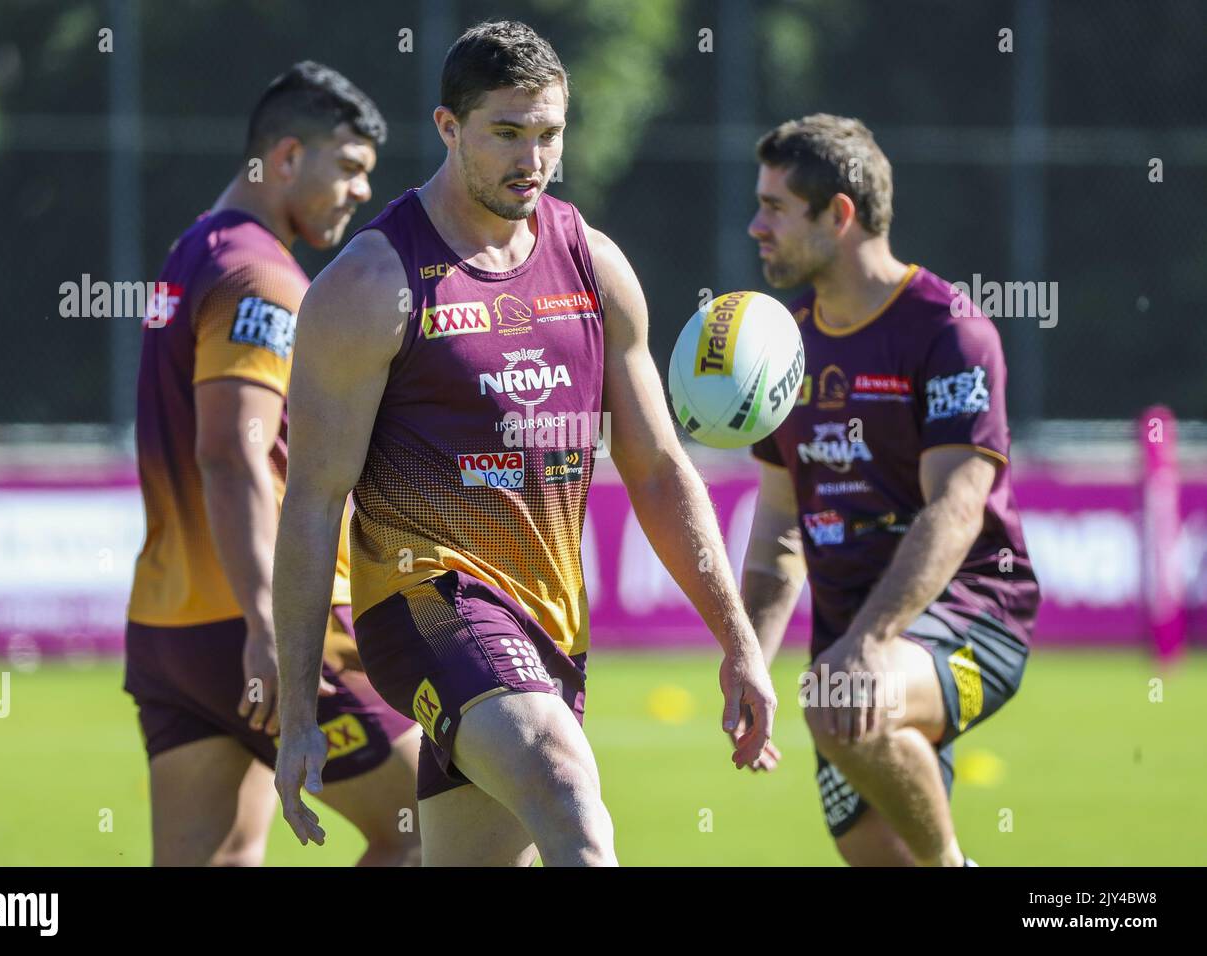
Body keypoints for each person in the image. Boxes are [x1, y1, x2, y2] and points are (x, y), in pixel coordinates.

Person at [272, 21, 776, 867]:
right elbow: (315, 499)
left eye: (548, 134)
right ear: (448, 128)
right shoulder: (371, 283)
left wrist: (740, 641)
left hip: (550, 626)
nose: (531, 158)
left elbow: (656, 468)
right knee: (569, 793)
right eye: (506, 132)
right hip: (424, 602)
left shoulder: (595, 265)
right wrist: (295, 717)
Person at [124, 61, 420, 867]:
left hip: (171, 633)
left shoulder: (194, 254)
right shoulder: (261, 277)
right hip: (264, 627)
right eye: (350, 168)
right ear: (287, 157)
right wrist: (267, 625)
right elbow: (229, 452)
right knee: (443, 830)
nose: (361, 192)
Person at [740, 114, 1040, 866]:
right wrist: (747, 657)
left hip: (974, 620)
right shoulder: (781, 342)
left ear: (839, 214)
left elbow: (957, 505)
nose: (755, 226)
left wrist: (870, 643)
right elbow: (779, 526)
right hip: (845, 644)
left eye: (775, 207)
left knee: (837, 702)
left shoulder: (950, 331)